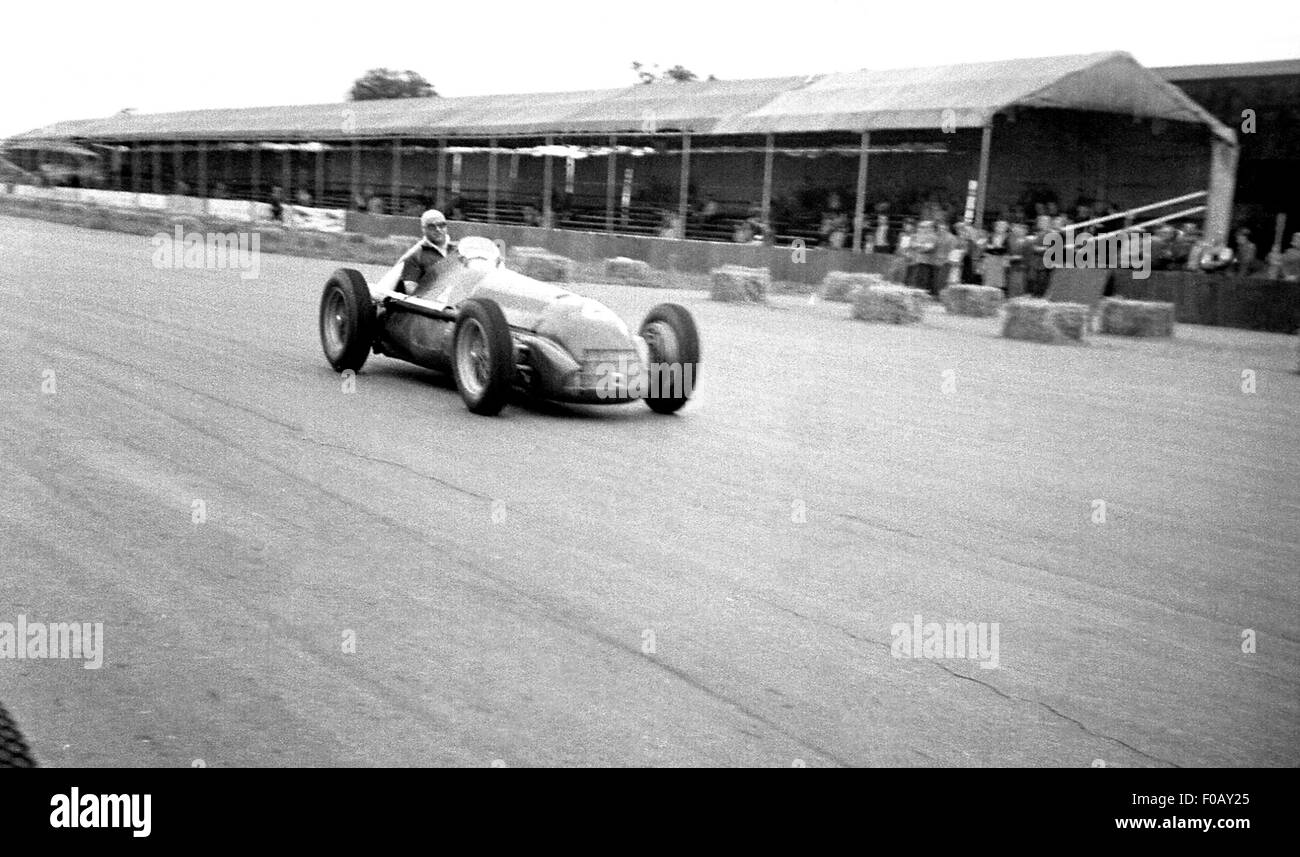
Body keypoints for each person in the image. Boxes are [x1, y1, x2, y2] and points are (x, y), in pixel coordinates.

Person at [398, 209, 455, 295]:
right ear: (423, 229)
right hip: (433, 301)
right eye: (432, 226)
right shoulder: (415, 257)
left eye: (442, 225)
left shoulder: (458, 251)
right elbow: (412, 292)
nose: (438, 229)